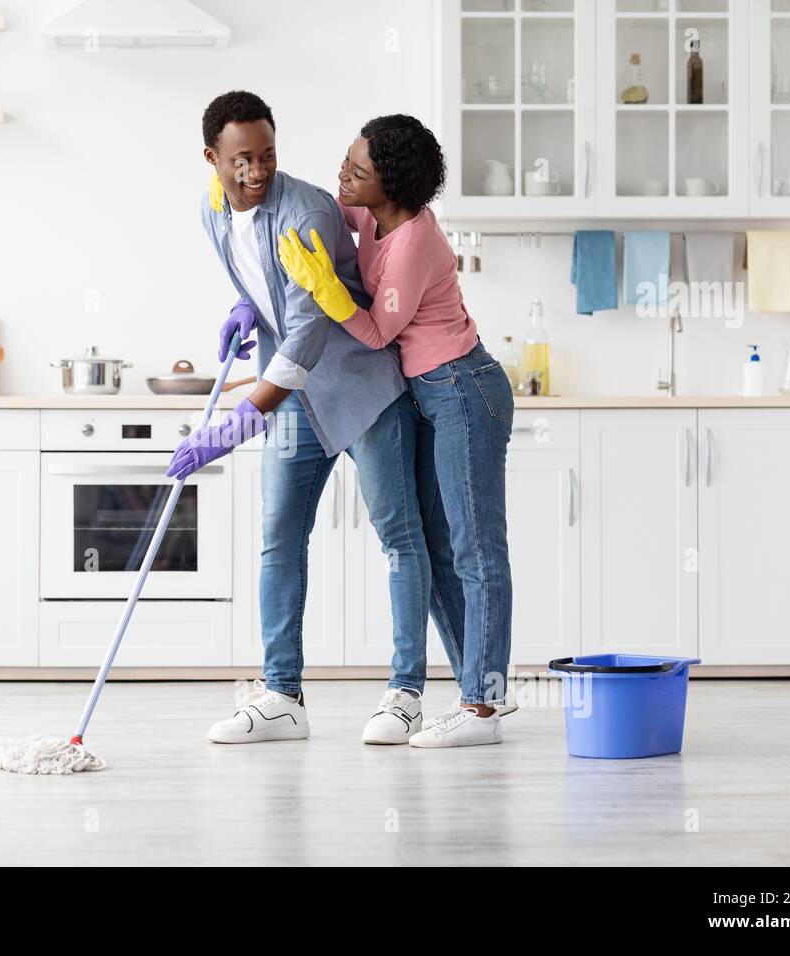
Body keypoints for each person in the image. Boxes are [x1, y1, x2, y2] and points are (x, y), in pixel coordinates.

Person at [170, 91, 433, 745]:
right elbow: (258, 281)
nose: (255, 173)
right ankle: (282, 696)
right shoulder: (211, 210)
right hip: (296, 401)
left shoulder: (308, 212)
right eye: (240, 161)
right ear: (212, 159)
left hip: (361, 389)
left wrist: (239, 422)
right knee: (279, 540)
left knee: (399, 539)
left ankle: (405, 694)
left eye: (266, 156)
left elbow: (309, 334)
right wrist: (245, 308)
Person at [278, 114, 514, 748]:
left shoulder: (411, 241)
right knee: (441, 551)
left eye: (357, 171)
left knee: (475, 549)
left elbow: (379, 333)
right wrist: (252, 185)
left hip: (464, 388)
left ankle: (484, 708)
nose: (343, 176)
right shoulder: (374, 217)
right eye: (346, 162)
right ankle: (481, 690)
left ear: (393, 183)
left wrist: (329, 293)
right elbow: (324, 210)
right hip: (432, 396)